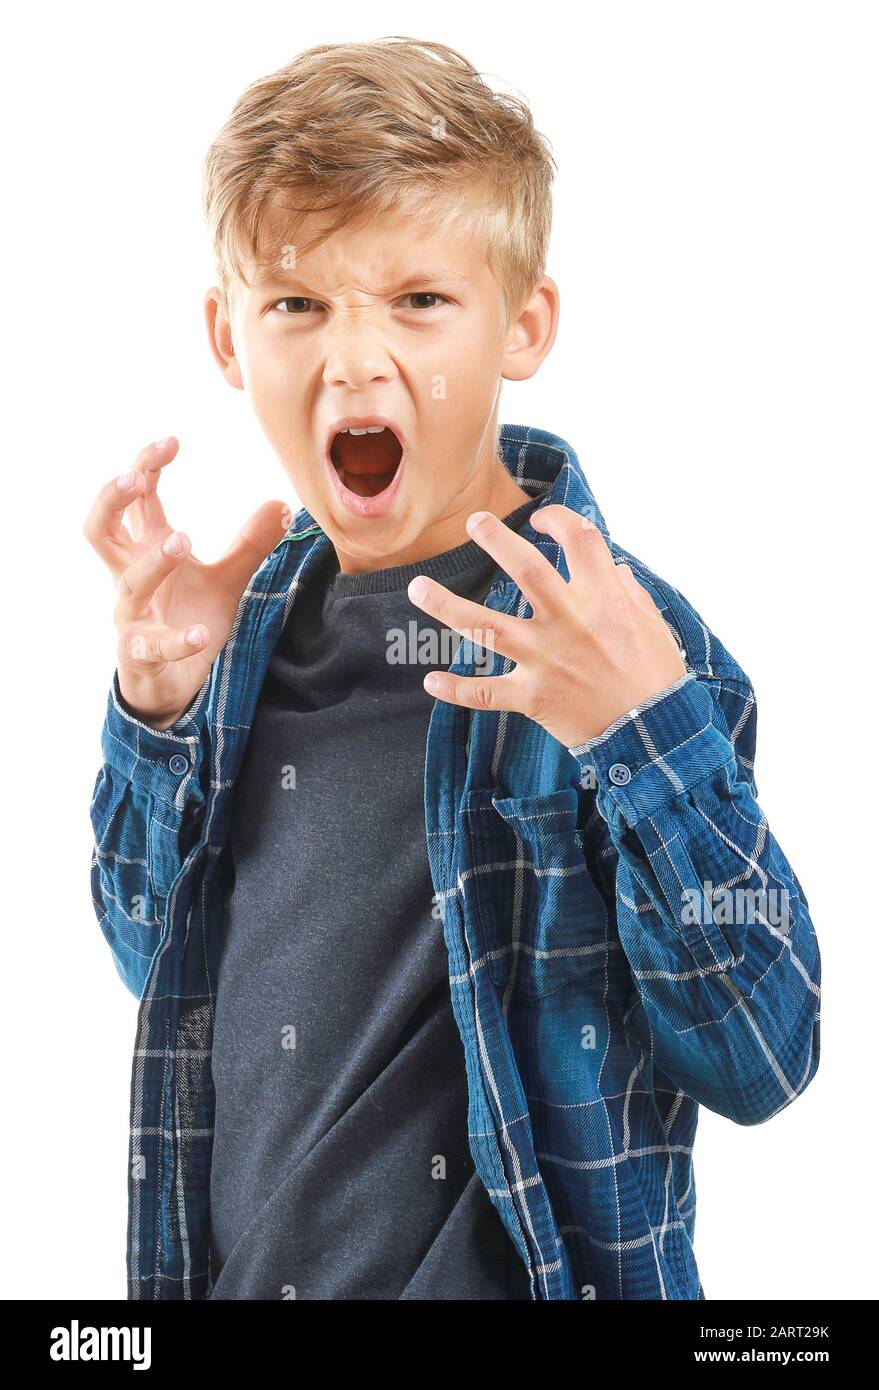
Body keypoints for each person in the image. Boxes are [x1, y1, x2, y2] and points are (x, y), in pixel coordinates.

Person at [85, 37, 821, 1301]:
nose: (355, 359)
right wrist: (161, 713)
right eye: (297, 304)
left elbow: (761, 1050)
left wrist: (644, 742)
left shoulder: (628, 647)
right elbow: (159, 968)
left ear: (521, 324)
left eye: (420, 299)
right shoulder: (241, 631)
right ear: (227, 337)